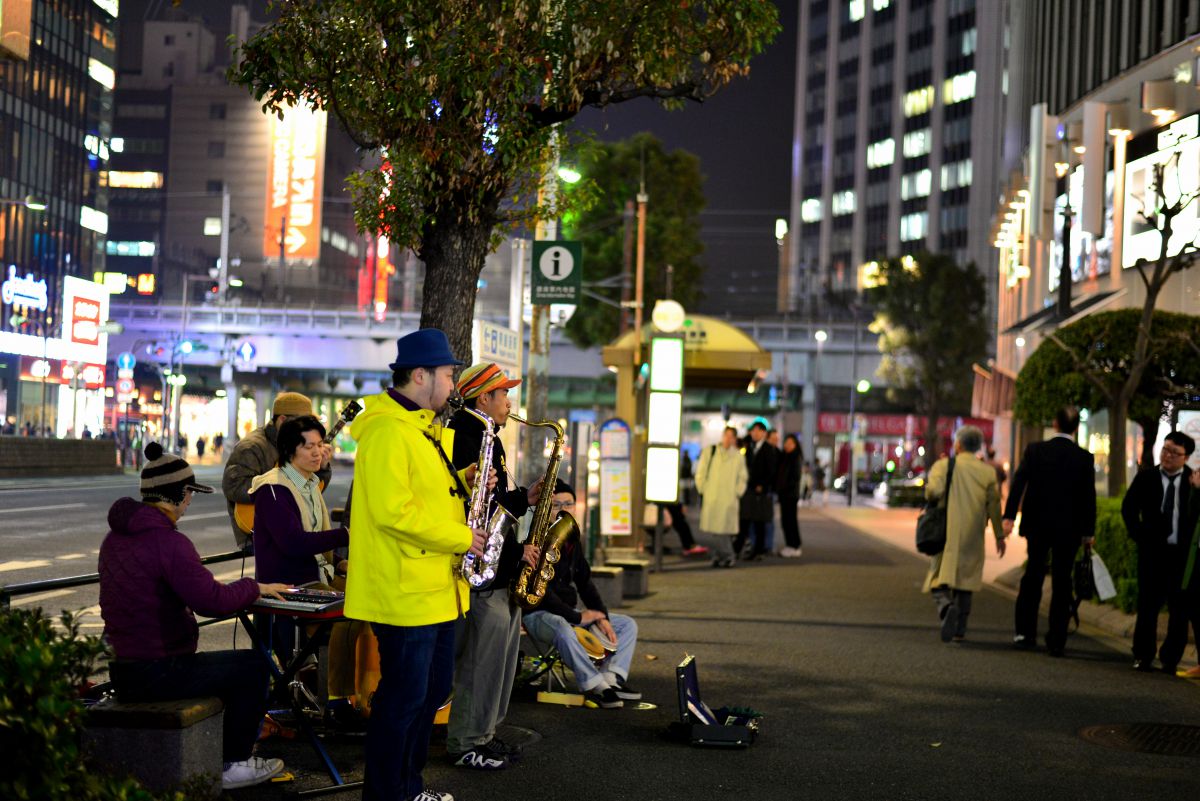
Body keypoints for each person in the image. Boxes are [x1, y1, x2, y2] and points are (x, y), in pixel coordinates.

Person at [344, 328, 488, 801]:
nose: (453, 384)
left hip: (432, 589)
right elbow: (394, 512)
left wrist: (465, 479)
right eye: (448, 374)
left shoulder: (420, 428)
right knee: (404, 699)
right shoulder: (388, 431)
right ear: (421, 375)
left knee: (429, 692)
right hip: (404, 592)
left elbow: (422, 496)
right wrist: (464, 538)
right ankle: (389, 793)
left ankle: (408, 788)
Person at [98, 442, 291, 790]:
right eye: (189, 494)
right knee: (253, 667)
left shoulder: (114, 538)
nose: (189, 502)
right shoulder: (169, 542)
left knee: (229, 669)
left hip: (122, 669)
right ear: (177, 494)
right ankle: (234, 762)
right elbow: (210, 601)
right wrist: (253, 587)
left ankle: (226, 754)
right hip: (158, 670)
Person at [446, 362, 541, 771]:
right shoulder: (465, 437)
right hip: (483, 571)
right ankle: (467, 741)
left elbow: (496, 504)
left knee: (497, 664)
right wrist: (516, 552)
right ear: (483, 397)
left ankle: (484, 733)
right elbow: (478, 513)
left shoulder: (487, 437)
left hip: (498, 568)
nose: (509, 403)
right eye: (503, 394)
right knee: (480, 665)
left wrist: (525, 498)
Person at [522, 480, 641, 709]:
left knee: (627, 625)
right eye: (557, 505)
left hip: (569, 614)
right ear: (545, 509)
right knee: (561, 626)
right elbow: (543, 592)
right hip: (538, 615)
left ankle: (611, 678)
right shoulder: (536, 540)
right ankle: (595, 685)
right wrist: (578, 617)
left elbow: (585, 583)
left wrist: (601, 615)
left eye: (569, 504)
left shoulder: (572, 541)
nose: (564, 509)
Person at [249, 415, 351, 659]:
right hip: (292, 584)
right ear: (289, 450)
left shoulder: (310, 483)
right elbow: (293, 543)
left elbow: (313, 541)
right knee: (353, 617)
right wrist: (346, 535)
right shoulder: (273, 488)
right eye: (309, 447)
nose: (318, 453)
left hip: (319, 574)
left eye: (319, 445)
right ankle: (334, 683)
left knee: (376, 600)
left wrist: (339, 562)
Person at [1003, 406, 1096, 656]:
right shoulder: (1084, 457)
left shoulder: (1035, 451)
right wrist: (1088, 532)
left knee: (1033, 575)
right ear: (1076, 427)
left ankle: (1025, 633)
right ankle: (1057, 639)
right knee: (1062, 581)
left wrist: (1009, 516)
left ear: (1054, 423)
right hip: (1070, 529)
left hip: (1038, 525)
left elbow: (1019, 482)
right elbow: (1088, 497)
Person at [1122, 431, 1200, 673]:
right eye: (1165, 449)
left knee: (1179, 610)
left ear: (1186, 457)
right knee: (1147, 605)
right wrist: (1140, 535)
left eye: (1174, 453)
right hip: (1152, 552)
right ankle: (1143, 654)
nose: (1167, 456)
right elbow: (1128, 509)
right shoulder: (1146, 477)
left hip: (1181, 555)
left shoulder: (1192, 481)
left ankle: (1170, 658)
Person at [924, 426, 1007, 642]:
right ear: (978, 446)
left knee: (938, 579)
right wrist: (999, 535)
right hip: (973, 533)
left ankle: (945, 607)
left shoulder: (944, 465)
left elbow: (933, 491)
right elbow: (994, 505)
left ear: (958, 444)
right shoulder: (987, 472)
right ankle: (960, 630)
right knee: (966, 583)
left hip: (946, 532)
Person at [223, 391, 332, 550]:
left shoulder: (296, 443)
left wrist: (322, 468)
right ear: (282, 419)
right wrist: (281, 487)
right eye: (301, 423)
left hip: (292, 525)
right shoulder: (252, 447)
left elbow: (311, 490)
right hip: (258, 529)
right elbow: (233, 487)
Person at [695, 426, 749, 567]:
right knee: (716, 530)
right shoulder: (710, 451)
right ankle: (722, 556)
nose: (728, 439)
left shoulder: (738, 456)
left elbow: (743, 477)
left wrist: (737, 492)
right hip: (712, 496)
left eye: (731, 436)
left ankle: (726, 555)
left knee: (722, 531)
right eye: (726, 435)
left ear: (735, 439)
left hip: (729, 498)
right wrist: (703, 488)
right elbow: (700, 472)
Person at [734, 421, 778, 560]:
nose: (755, 433)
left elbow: (772, 471)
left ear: (764, 433)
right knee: (744, 520)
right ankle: (738, 548)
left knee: (759, 522)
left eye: (758, 430)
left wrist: (763, 485)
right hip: (748, 489)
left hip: (760, 491)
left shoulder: (768, 449)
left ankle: (758, 551)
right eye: (753, 431)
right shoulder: (748, 447)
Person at [777, 434, 803, 557]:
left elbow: (795, 477)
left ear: (795, 445)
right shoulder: (785, 457)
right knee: (786, 521)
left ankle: (794, 545)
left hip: (790, 495)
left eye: (790, 443)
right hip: (785, 495)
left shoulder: (795, 457)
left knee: (790, 521)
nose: (787, 445)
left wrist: (785, 487)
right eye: (786, 442)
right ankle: (791, 545)